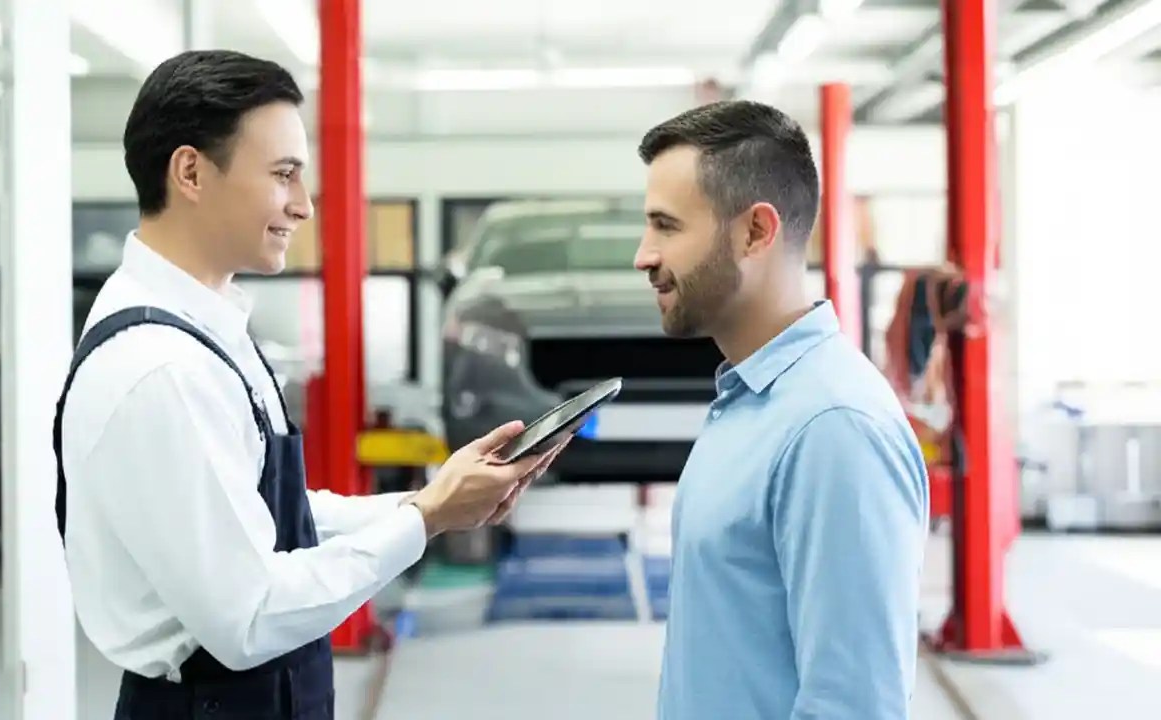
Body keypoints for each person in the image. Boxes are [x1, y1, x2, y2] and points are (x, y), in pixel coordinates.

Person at [53, 49, 562, 719]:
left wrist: (432, 500)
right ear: (191, 172)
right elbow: (249, 616)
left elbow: (267, 515)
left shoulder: (211, 331)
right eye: (284, 174)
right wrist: (426, 519)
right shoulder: (162, 370)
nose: (304, 206)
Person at [634, 100, 929, 719]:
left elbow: (854, 704)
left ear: (755, 232)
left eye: (667, 226)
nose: (644, 255)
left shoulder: (832, 427)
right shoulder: (748, 403)